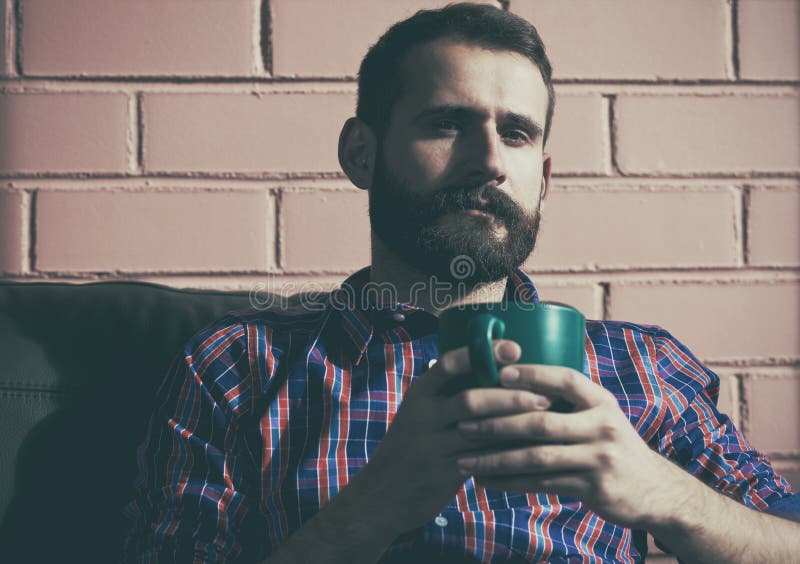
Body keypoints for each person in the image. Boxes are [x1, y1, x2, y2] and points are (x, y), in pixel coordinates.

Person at [122, 3, 800, 562]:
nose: (489, 161)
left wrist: (664, 494)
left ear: (544, 179)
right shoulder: (238, 363)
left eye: (517, 133)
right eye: (447, 124)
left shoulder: (643, 366)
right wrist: (373, 508)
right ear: (361, 154)